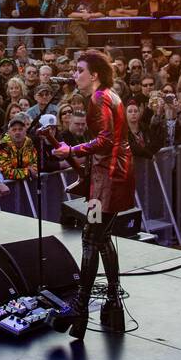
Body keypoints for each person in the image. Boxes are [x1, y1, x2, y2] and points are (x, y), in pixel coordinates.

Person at [52, 50, 135, 339]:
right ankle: (111, 297)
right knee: (100, 236)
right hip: (114, 174)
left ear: (95, 74)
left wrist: (71, 150)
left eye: (79, 70)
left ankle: (81, 304)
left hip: (107, 178)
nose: (75, 74)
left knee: (90, 236)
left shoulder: (99, 98)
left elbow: (105, 139)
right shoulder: (111, 95)